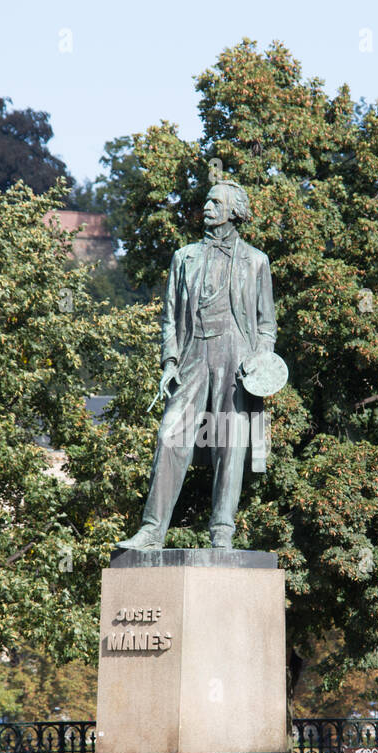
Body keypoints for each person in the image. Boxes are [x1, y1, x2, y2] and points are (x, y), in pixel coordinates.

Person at [117, 179, 276, 550]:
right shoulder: (183, 256)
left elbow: (267, 324)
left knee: (229, 442)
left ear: (235, 211)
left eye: (215, 202)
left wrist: (261, 362)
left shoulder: (256, 261)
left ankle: (222, 531)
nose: (206, 207)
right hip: (192, 357)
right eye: (206, 201)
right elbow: (170, 318)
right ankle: (152, 529)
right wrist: (169, 361)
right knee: (170, 437)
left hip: (236, 360)